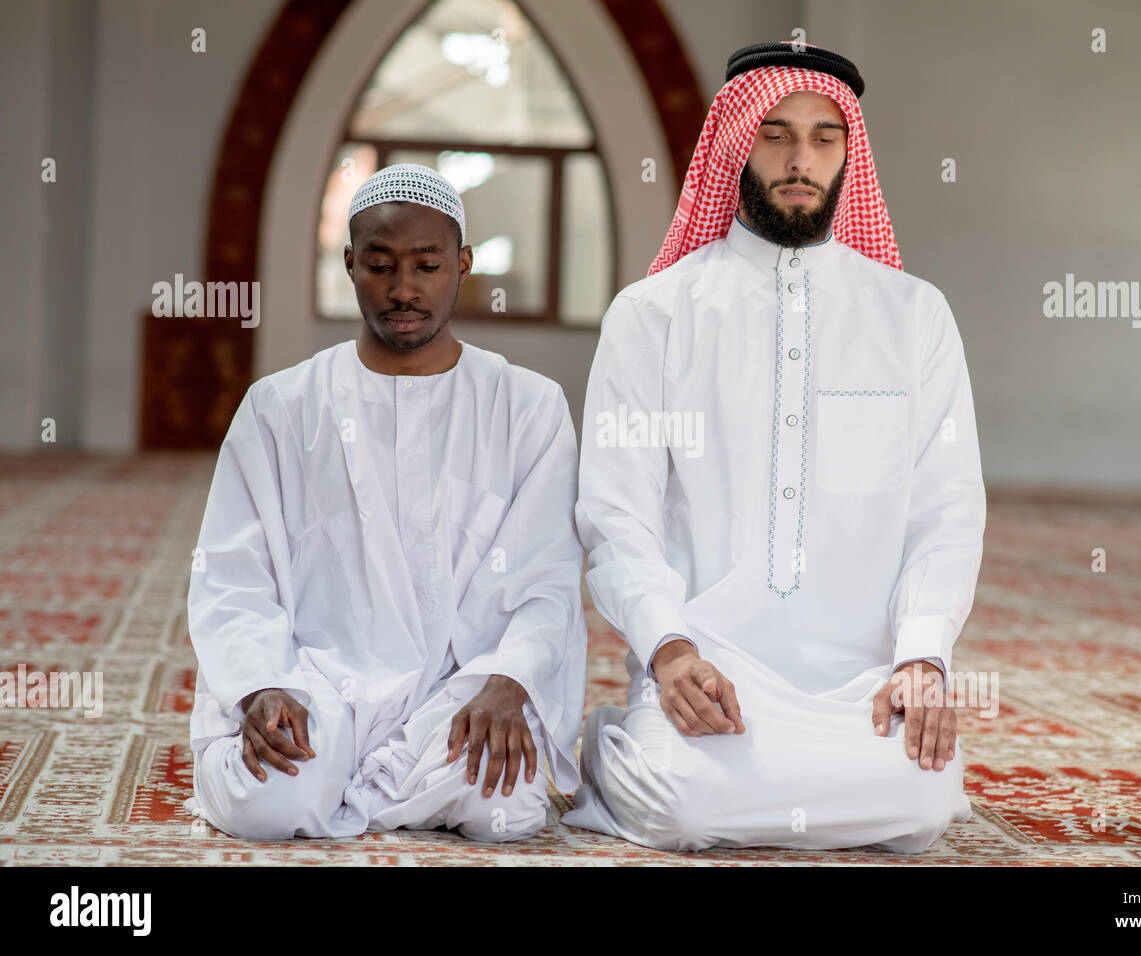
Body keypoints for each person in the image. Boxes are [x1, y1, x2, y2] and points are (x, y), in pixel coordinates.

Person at [561, 42, 986, 852]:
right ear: (733, 145)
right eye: (776, 134)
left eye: (826, 138)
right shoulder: (653, 315)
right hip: (709, 668)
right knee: (683, 809)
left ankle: (778, 766)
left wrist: (922, 657)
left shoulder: (913, 315)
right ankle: (625, 737)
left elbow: (946, 509)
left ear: (849, 154)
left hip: (861, 676)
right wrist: (669, 648)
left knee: (924, 809)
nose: (801, 159)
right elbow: (615, 514)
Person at [183, 163, 586, 842]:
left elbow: (547, 580)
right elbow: (230, 574)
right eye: (380, 265)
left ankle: (353, 789)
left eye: (427, 265)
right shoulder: (281, 406)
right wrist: (260, 686)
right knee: (264, 804)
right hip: (316, 680)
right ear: (348, 264)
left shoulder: (527, 406)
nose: (404, 289)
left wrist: (510, 681)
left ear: (462, 265)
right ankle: (384, 787)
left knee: (504, 810)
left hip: (462, 690)